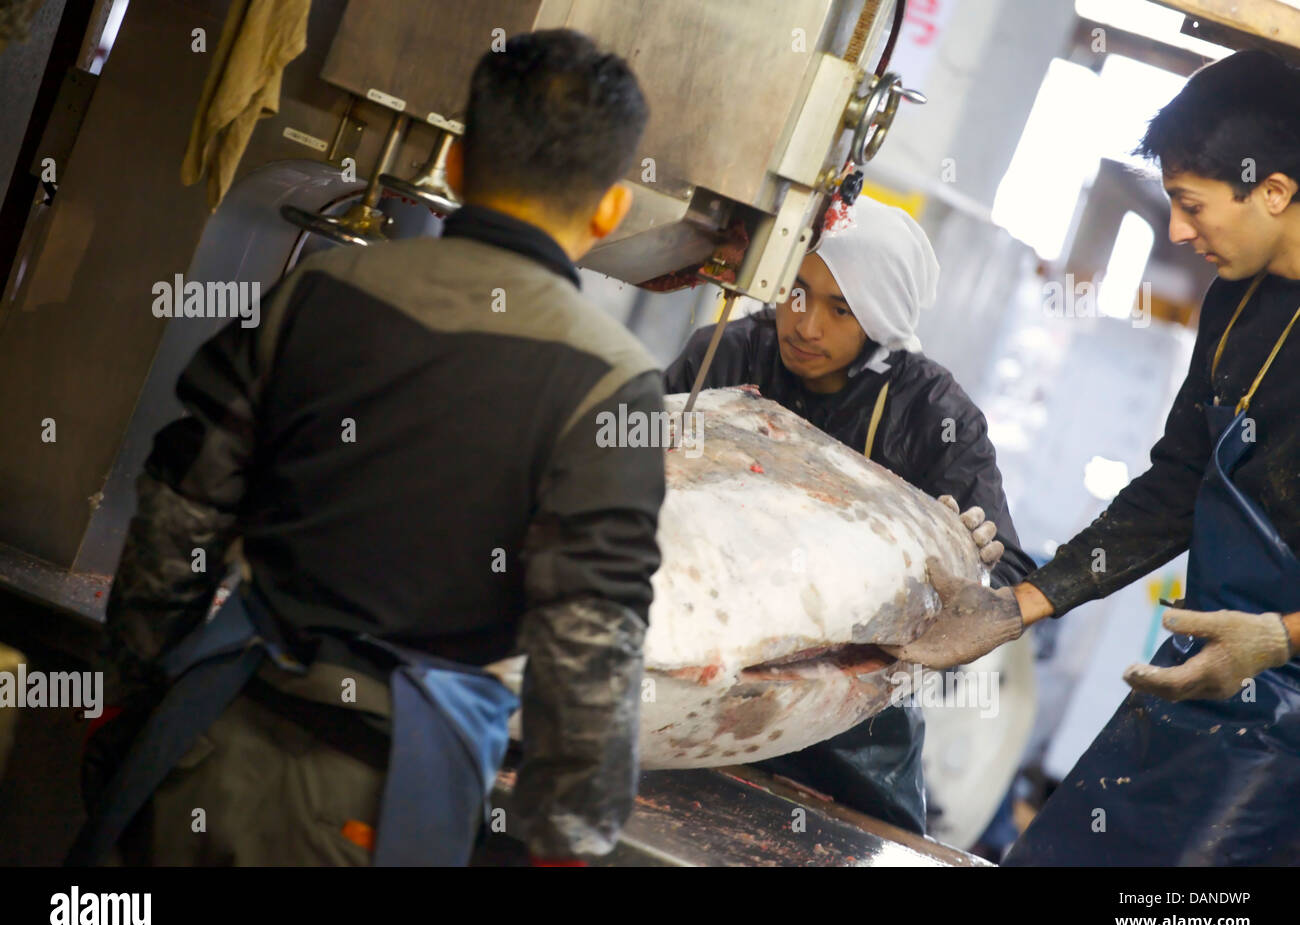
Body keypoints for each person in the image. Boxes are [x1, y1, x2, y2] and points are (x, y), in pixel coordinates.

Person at [71, 29, 662, 866]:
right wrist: (564, 842)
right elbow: (593, 636)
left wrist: (129, 696)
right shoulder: (612, 381)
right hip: (388, 806)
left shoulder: (318, 290)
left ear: (455, 164)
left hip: (207, 747)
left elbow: (179, 508)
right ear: (611, 208)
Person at [906, 50, 1300, 866]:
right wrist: (1020, 604)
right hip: (1208, 675)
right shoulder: (1236, 303)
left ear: (1275, 190)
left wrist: (1279, 639)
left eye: (1192, 207)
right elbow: (1176, 484)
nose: (1180, 234)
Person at [663, 197, 1035, 833]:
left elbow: (1006, 582)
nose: (807, 326)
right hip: (698, 673)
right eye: (799, 293)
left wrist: (974, 558)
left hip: (849, 728)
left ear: (882, 316)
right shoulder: (726, 351)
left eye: (842, 309)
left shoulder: (933, 413)